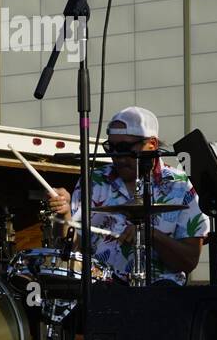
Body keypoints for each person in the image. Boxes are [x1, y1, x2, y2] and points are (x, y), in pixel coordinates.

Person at [49, 106, 207, 285]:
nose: (117, 156)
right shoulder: (94, 181)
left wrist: (150, 235)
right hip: (101, 291)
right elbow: (71, 251)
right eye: (111, 147)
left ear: (152, 145)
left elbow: (189, 261)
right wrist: (63, 215)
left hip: (161, 293)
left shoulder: (180, 186)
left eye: (124, 148)